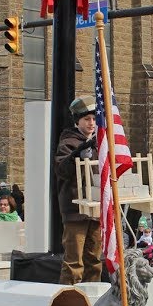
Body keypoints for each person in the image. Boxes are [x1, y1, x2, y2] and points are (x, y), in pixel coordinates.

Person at [55, 95, 102, 285]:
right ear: (78, 121)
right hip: (76, 211)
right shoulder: (68, 142)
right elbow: (61, 170)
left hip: (96, 209)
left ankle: (93, 301)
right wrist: (78, 154)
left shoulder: (101, 142)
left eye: (93, 119)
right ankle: (68, 304)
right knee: (74, 262)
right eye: (86, 119)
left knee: (95, 260)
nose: (91, 123)